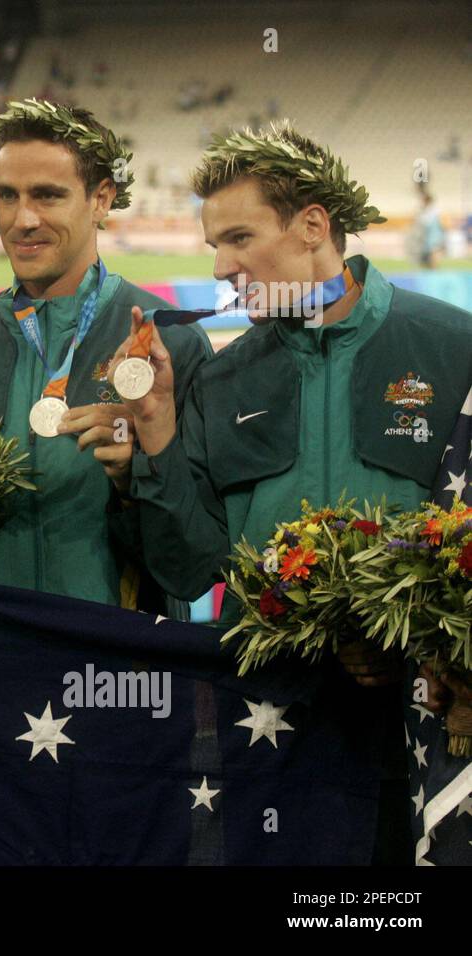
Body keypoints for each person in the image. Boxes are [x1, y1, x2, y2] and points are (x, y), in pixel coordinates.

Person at [110, 123, 472, 863]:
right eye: (213, 244)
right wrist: (154, 435)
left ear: (312, 225)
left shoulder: (453, 347)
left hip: (430, 727)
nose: (221, 266)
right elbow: (190, 568)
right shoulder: (223, 375)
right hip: (271, 733)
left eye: (239, 238)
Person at [0, 99, 212, 615]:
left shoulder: (168, 347)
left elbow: (194, 568)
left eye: (47, 196)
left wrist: (144, 476)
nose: (24, 219)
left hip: (121, 674)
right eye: (8, 196)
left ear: (101, 199)